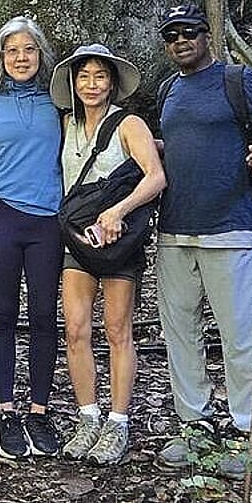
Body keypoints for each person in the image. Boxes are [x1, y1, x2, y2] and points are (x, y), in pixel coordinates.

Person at [154, 4, 252, 478]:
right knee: (180, 332)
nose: (180, 41)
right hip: (175, 226)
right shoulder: (168, 91)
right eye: (171, 36)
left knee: (242, 333)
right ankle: (195, 424)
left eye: (188, 32)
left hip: (230, 224)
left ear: (207, 35)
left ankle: (250, 431)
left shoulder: (237, 79)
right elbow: (168, 147)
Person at [51, 43, 165, 465]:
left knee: (118, 330)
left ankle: (117, 421)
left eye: (100, 76)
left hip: (120, 239)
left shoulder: (128, 124)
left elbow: (155, 177)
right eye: (83, 76)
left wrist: (117, 211)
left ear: (112, 83)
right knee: (76, 330)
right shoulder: (65, 124)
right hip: (79, 240)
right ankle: (87, 418)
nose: (91, 84)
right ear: (73, 83)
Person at [0, 16, 64, 458]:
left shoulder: (60, 98)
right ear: (0, 57)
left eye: (29, 50)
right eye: (12, 50)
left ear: (41, 55)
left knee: (43, 315)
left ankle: (38, 411)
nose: (21, 58)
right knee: (2, 314)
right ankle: (6, 409)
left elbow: (106, 117)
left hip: (48, 220)